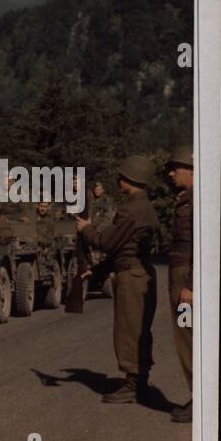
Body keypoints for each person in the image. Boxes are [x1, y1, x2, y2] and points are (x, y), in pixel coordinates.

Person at [75, 154, 159, 404]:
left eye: (122, 176)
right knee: (140, 329)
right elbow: (126, 246)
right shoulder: (145, 207)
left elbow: (108, 242)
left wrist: (86, 229)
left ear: (131, 179)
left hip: (131, 277)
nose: (118, 179)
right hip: (140, 271)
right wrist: (99, 271)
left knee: (128, 330)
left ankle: (132, 384)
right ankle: (140, 379)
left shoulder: (131, 209)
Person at [165, 145, 193, 423]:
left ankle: (200, 398)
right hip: (181, 277)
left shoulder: (197, 202)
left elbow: (204, 244)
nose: (171, 174)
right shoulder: (186, 199)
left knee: (187, 337)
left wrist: (192, 286)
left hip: (186, 282)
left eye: (176, 168)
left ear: (191, 170)